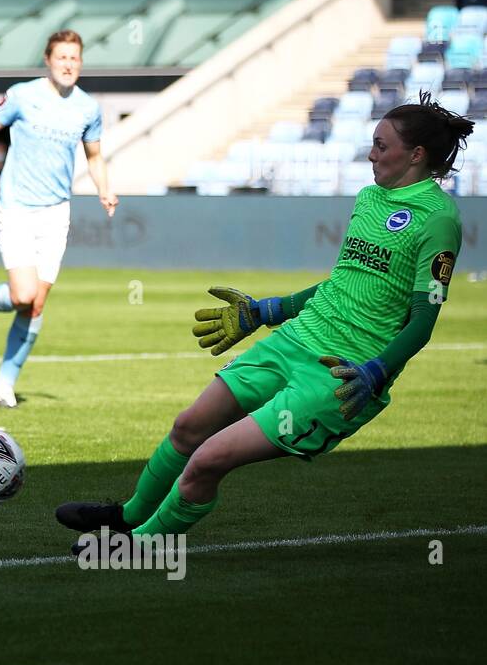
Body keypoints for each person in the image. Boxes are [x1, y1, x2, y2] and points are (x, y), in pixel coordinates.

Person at [56, 95, 471, 553]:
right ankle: (128, 517)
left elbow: (423, 319)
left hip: (339, 373)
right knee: (189, 427)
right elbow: (344, 282)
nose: (371, 153)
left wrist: (377, 371)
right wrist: (265, 312)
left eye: (380, 145)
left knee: (208, 460)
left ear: (415, 155)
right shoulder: (370, 198)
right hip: (293, 341)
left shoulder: (438, 218)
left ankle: (143, 546)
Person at [0, 29, 116, 408]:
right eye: (62, 57)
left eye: (75, 58)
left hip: (55, 213)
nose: (68, 64)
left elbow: (94, 157)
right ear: (48, 60)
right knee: (22, 295)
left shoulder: (87, 107)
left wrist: (104, 189)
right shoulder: (22, 95)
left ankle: (3, 384)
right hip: (15, 207)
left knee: (35, 304)